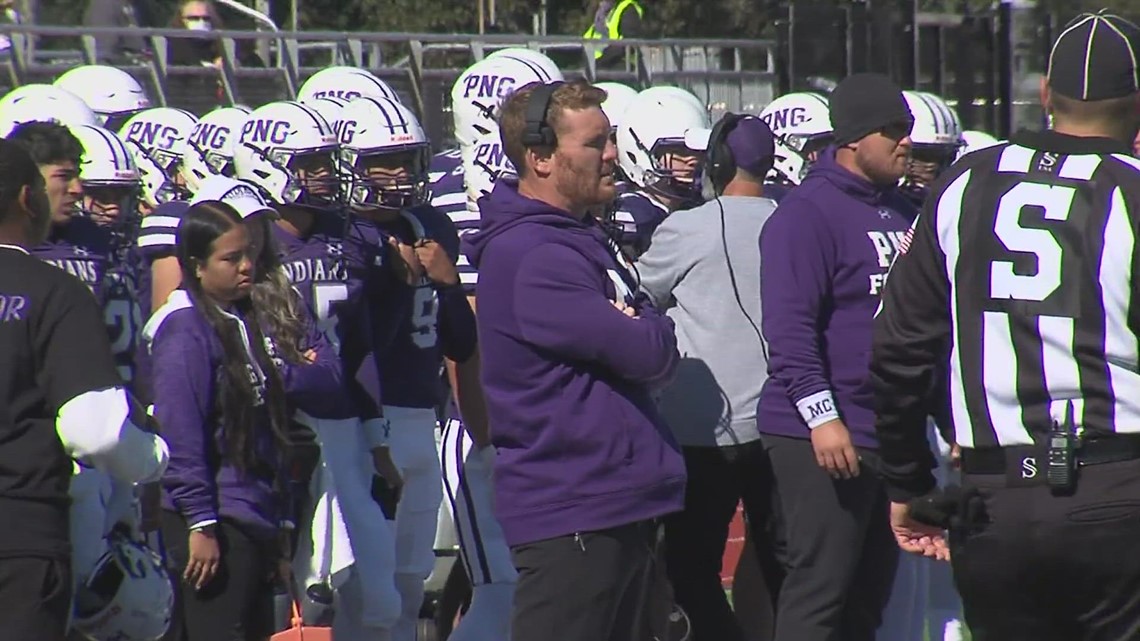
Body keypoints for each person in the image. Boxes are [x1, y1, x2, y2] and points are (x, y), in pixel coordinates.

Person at [871, 11, 1140, 640]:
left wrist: (909, 479)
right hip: (1117, 485)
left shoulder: (965, 181)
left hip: (992, 496)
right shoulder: (1130, 192)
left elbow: (898, 349)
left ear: (1045, 93)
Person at [462, 79, 684, 641]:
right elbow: (649, 349)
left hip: (609, 505)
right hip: (576, 512)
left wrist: (645, 323)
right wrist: (648, 326)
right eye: (595, 143)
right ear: (539, 158)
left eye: (608, 139)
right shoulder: (536, 255)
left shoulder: (577, 237)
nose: (612, 154)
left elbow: (648, 333)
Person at [756, 72, 916, 641]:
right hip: (821, 430)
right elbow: (790, 331)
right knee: (820, 591)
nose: (907, 141)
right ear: (851, 138)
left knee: (869, 597)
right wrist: (824, 420)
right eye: (893, 130)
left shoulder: (901, 210)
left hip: (886, 429)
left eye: (909, 128)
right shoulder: (806, 215)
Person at [0, 137, 168, 640]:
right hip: (18, 534)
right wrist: (154, 456)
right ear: (28, 198)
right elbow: (96, 432)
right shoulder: (52, 290)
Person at [149, 200, 338, 641]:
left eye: (248, 254)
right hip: (216, 520)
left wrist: (281, 529)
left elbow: (272, 428)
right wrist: (200, 523)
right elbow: (182, 437)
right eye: (230, 259)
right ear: (196, 266)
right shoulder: (185, 330)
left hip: (256, 515)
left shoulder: (243, 319)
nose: (246, 266)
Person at [636, 113, 783, 641]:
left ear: (717, 163)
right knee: (776, 564)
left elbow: (638, 297)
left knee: (690, 568)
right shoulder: (795, 218)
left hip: (704, 426)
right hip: (783, 424)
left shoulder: (687, 226)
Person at [583, 0, 644, 68]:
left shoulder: (628, 8)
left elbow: (629, 45)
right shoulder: (601, 12)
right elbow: (587, 38)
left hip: (622, 66)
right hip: (596, 65)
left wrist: (598, 62)